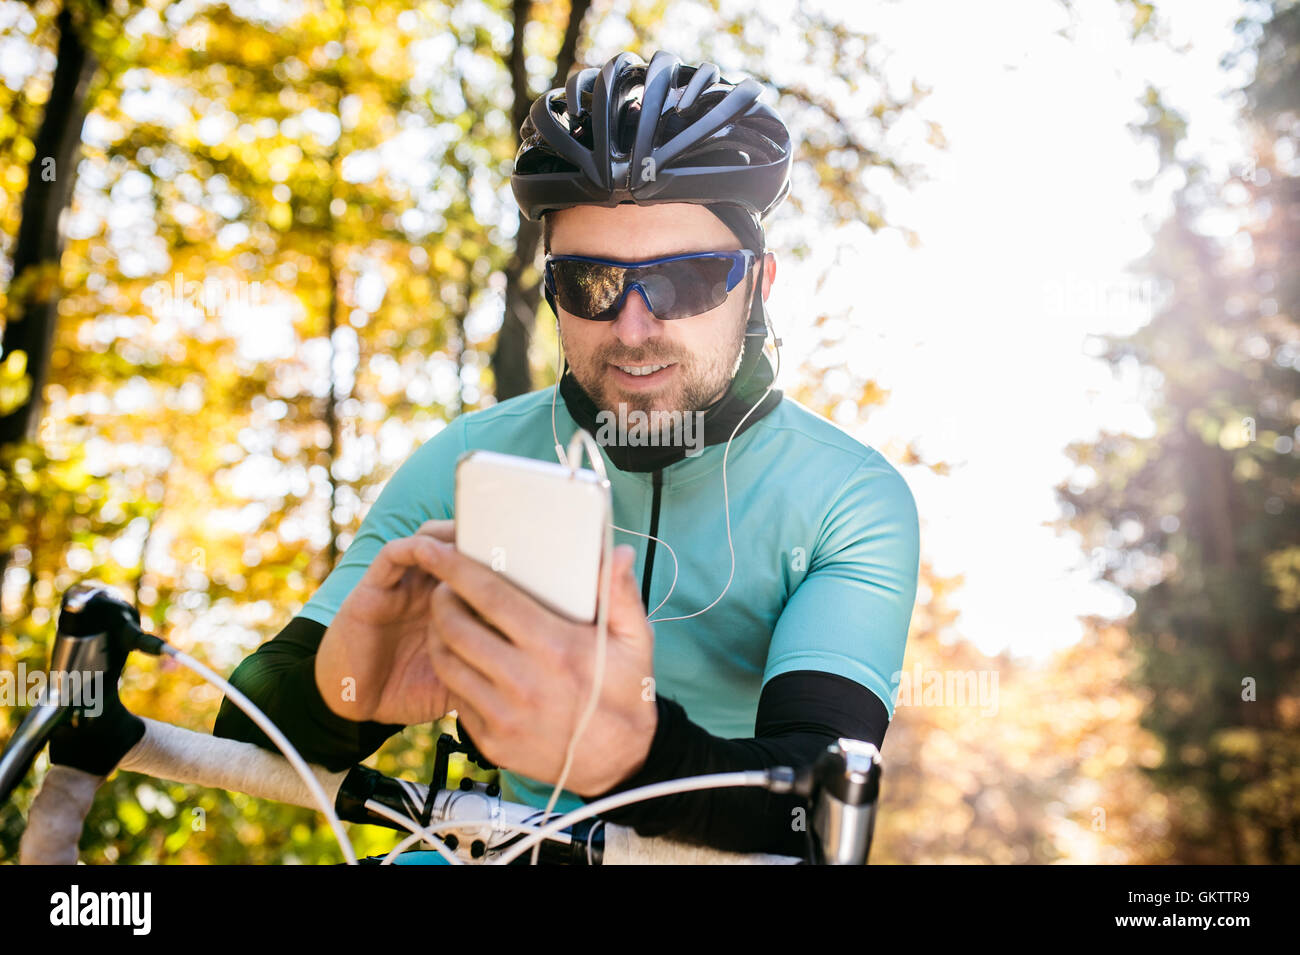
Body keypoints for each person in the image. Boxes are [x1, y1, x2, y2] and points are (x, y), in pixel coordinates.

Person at [213, 49, 920, 861]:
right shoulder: (472, 461)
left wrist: (629, 754)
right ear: (553, 290)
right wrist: (342, 694)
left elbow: (823, 790)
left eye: (685, 279)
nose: (631, 324)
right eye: (589, 282)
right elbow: (241, 739)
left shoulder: (848, 496)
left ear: (757, 285)